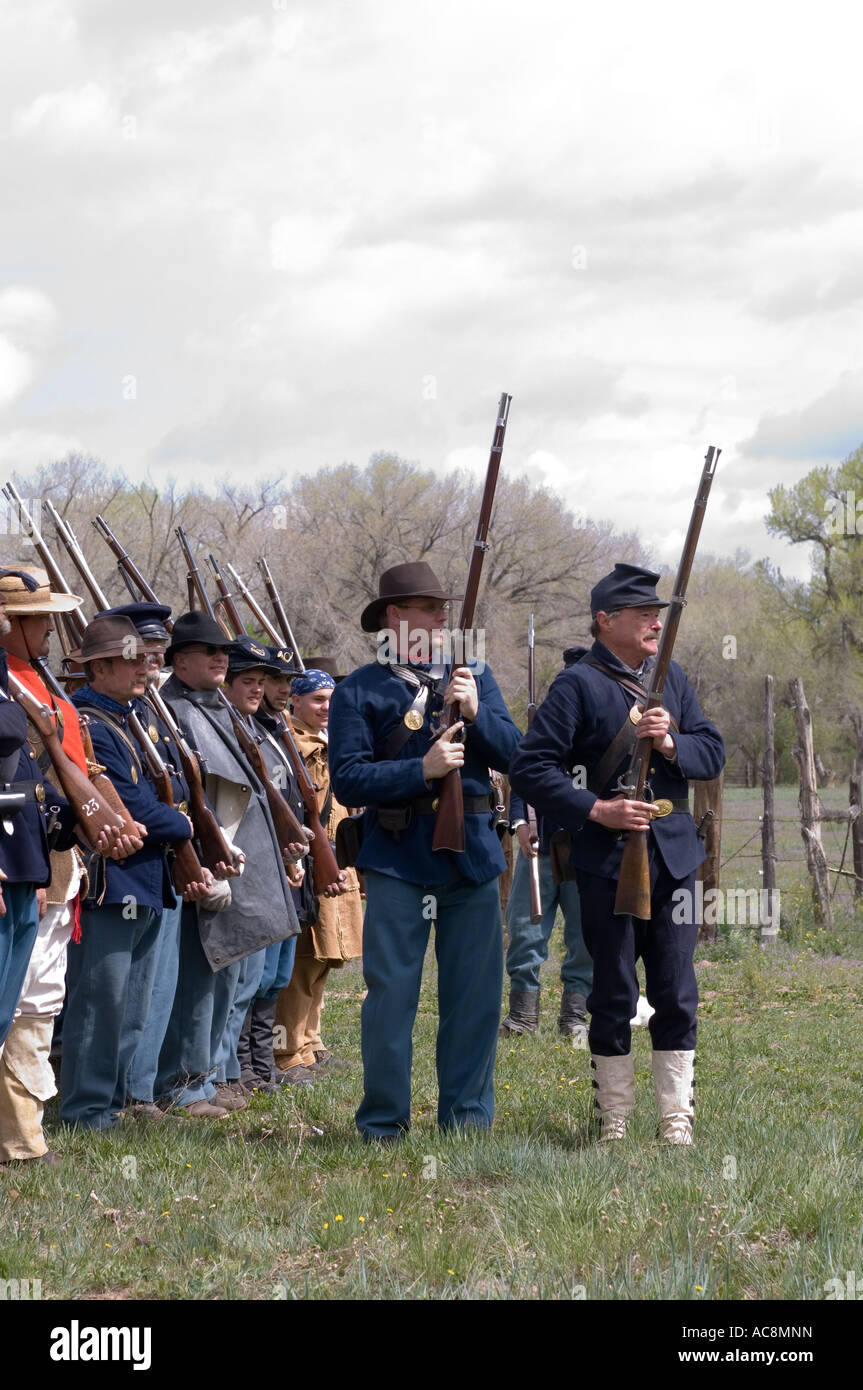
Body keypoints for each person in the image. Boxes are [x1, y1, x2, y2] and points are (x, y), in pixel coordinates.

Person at [509, 564, 725, 1145]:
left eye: (658, 612)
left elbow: (713, 753)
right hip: (607, 859)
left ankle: (677, 1120)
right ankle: (615, 1120)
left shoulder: (670, 676)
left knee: (677, 987)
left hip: (674, 859)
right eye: (643, 613)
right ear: (606, 621)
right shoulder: (576, 685)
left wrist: (673, 741)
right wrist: (596, 810)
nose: (656, 621)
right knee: (613, 988)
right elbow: (530, 768)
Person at [329, 560, 521, 1143]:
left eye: (443, 608)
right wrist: (421, 769)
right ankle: (384, 1124)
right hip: (398, 858)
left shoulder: (474, 676)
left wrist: (475, 713)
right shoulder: (359, 688)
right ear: (395, 616)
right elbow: (350, 780)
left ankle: (465, 1122)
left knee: (476, 1001)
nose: (442, 617)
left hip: (472, 857)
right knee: (390, 1000)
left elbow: (516, 753)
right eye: (430, 607)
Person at [60, 616, 207, 1131]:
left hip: (147, 877)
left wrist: (177, 817)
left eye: (148, 658)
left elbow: (168, 792)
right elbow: (135, 806)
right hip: (113, 880)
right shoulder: (85, 723)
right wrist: (181, 823)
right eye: (131, 661)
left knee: (132, 1007)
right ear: (98, 668)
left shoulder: (131, 717)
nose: (146, 667)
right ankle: (85, 1111)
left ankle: (113, 1105)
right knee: (102, 1004)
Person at [161, 617, 303, 1111]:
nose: (222, 657)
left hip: (234, 865)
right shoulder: (175, 710)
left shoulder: (217, 707)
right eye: (208, 651)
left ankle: (212, 1075)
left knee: (228, 983)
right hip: (203, 865)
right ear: (180, 661)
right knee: (200, 982)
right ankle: (186, 1083)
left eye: (224, 651)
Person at [0, 566, 90, 1162]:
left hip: (36, 860)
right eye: (38, 619)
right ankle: (19, 1137)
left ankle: (22, 1135)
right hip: (17, 867)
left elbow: (39, 783)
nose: (50, 630)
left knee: (31, 1002)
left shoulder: (23, 687)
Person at [272, 661, 363, 1083]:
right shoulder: (293, 744)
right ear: (294, 700)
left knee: (325, 962)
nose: (327, 707)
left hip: (337, 862)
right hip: (310, 864)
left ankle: (311, 1042)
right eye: (317, 700)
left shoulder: (331, 742)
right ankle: (288, 1052)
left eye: (332, 700)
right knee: (303, 965)